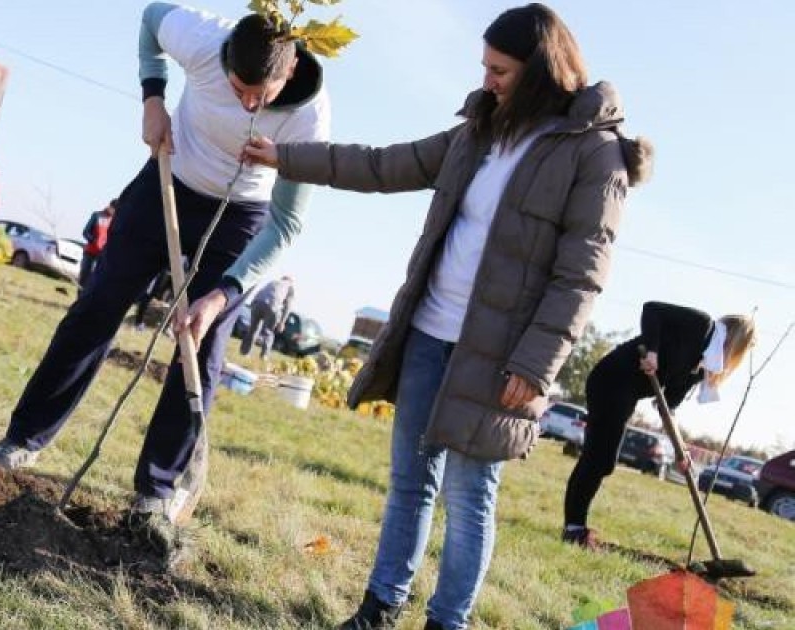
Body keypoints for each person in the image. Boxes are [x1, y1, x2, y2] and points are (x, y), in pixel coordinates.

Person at [242, 4, 651, 628]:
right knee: (409, 484)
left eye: (501, 70)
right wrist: (286, 158)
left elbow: (582, 275)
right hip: (430, 334)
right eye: (485, 67)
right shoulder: (479, 130)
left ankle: (447, 621)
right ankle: (379, 609)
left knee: (470, 497)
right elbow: (384, 165)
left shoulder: (595, 156)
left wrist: (538, 365)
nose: (488, 80)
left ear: (541, 71)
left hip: (501, 358)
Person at [0, 2, 330, 537]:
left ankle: (156, 491)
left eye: (262, 96)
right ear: (225, 59)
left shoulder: (309, 117)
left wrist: (221, 294)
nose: (249, 104)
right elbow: (150, 17)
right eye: (239, 89)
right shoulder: (203, 38)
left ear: (291, 72)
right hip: (171, 177)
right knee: (98, 304)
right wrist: (153, 99)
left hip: (243, 214)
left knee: (203, 348)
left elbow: (285, 227)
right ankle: (22, 439)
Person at [562, 302, 755, 548]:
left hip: (626, 392)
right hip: (611, 379)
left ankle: (573, 527)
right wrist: (652, 351)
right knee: (599, 459)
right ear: (737, 341)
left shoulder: (701, 365)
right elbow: (652, 309)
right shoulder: (701, 325)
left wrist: (680, 448)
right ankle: (574, 528)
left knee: (598, 459)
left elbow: (667, 406)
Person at [241, 275, 294, 360]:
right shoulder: (290, 287)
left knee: (253, 329)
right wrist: (282, 322)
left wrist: (253, 303)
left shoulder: (273, 281)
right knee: (268, 332)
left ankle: (245, 353)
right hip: (273, 306)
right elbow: (288, 306)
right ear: (291, 282)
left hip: (257, 302)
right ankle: (264, 356)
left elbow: (260, 291)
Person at [79, 199, 117, 287]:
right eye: (114, 209)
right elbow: (85, 232)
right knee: (84, 275)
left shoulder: (115, 221)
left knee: (96, 278)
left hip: (103, 254)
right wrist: (93, 240)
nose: (114, 212)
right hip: (90, 252)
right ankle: (80, 296)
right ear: (110, 206)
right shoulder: (96, 215)